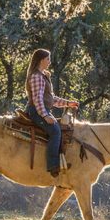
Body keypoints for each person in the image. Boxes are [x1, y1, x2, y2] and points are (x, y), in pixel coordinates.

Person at [24, 48, 79, 177]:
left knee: (60, 128)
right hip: (37, 111)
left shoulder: (44, 76)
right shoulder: (37, 76)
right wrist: (45, 115)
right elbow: (37, 99)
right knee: (55, 131)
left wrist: (68, 103)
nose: (49, 61)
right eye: (48, 58)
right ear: (41, 60)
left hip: (42, 109)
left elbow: (50, 98)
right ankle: (53, 165)